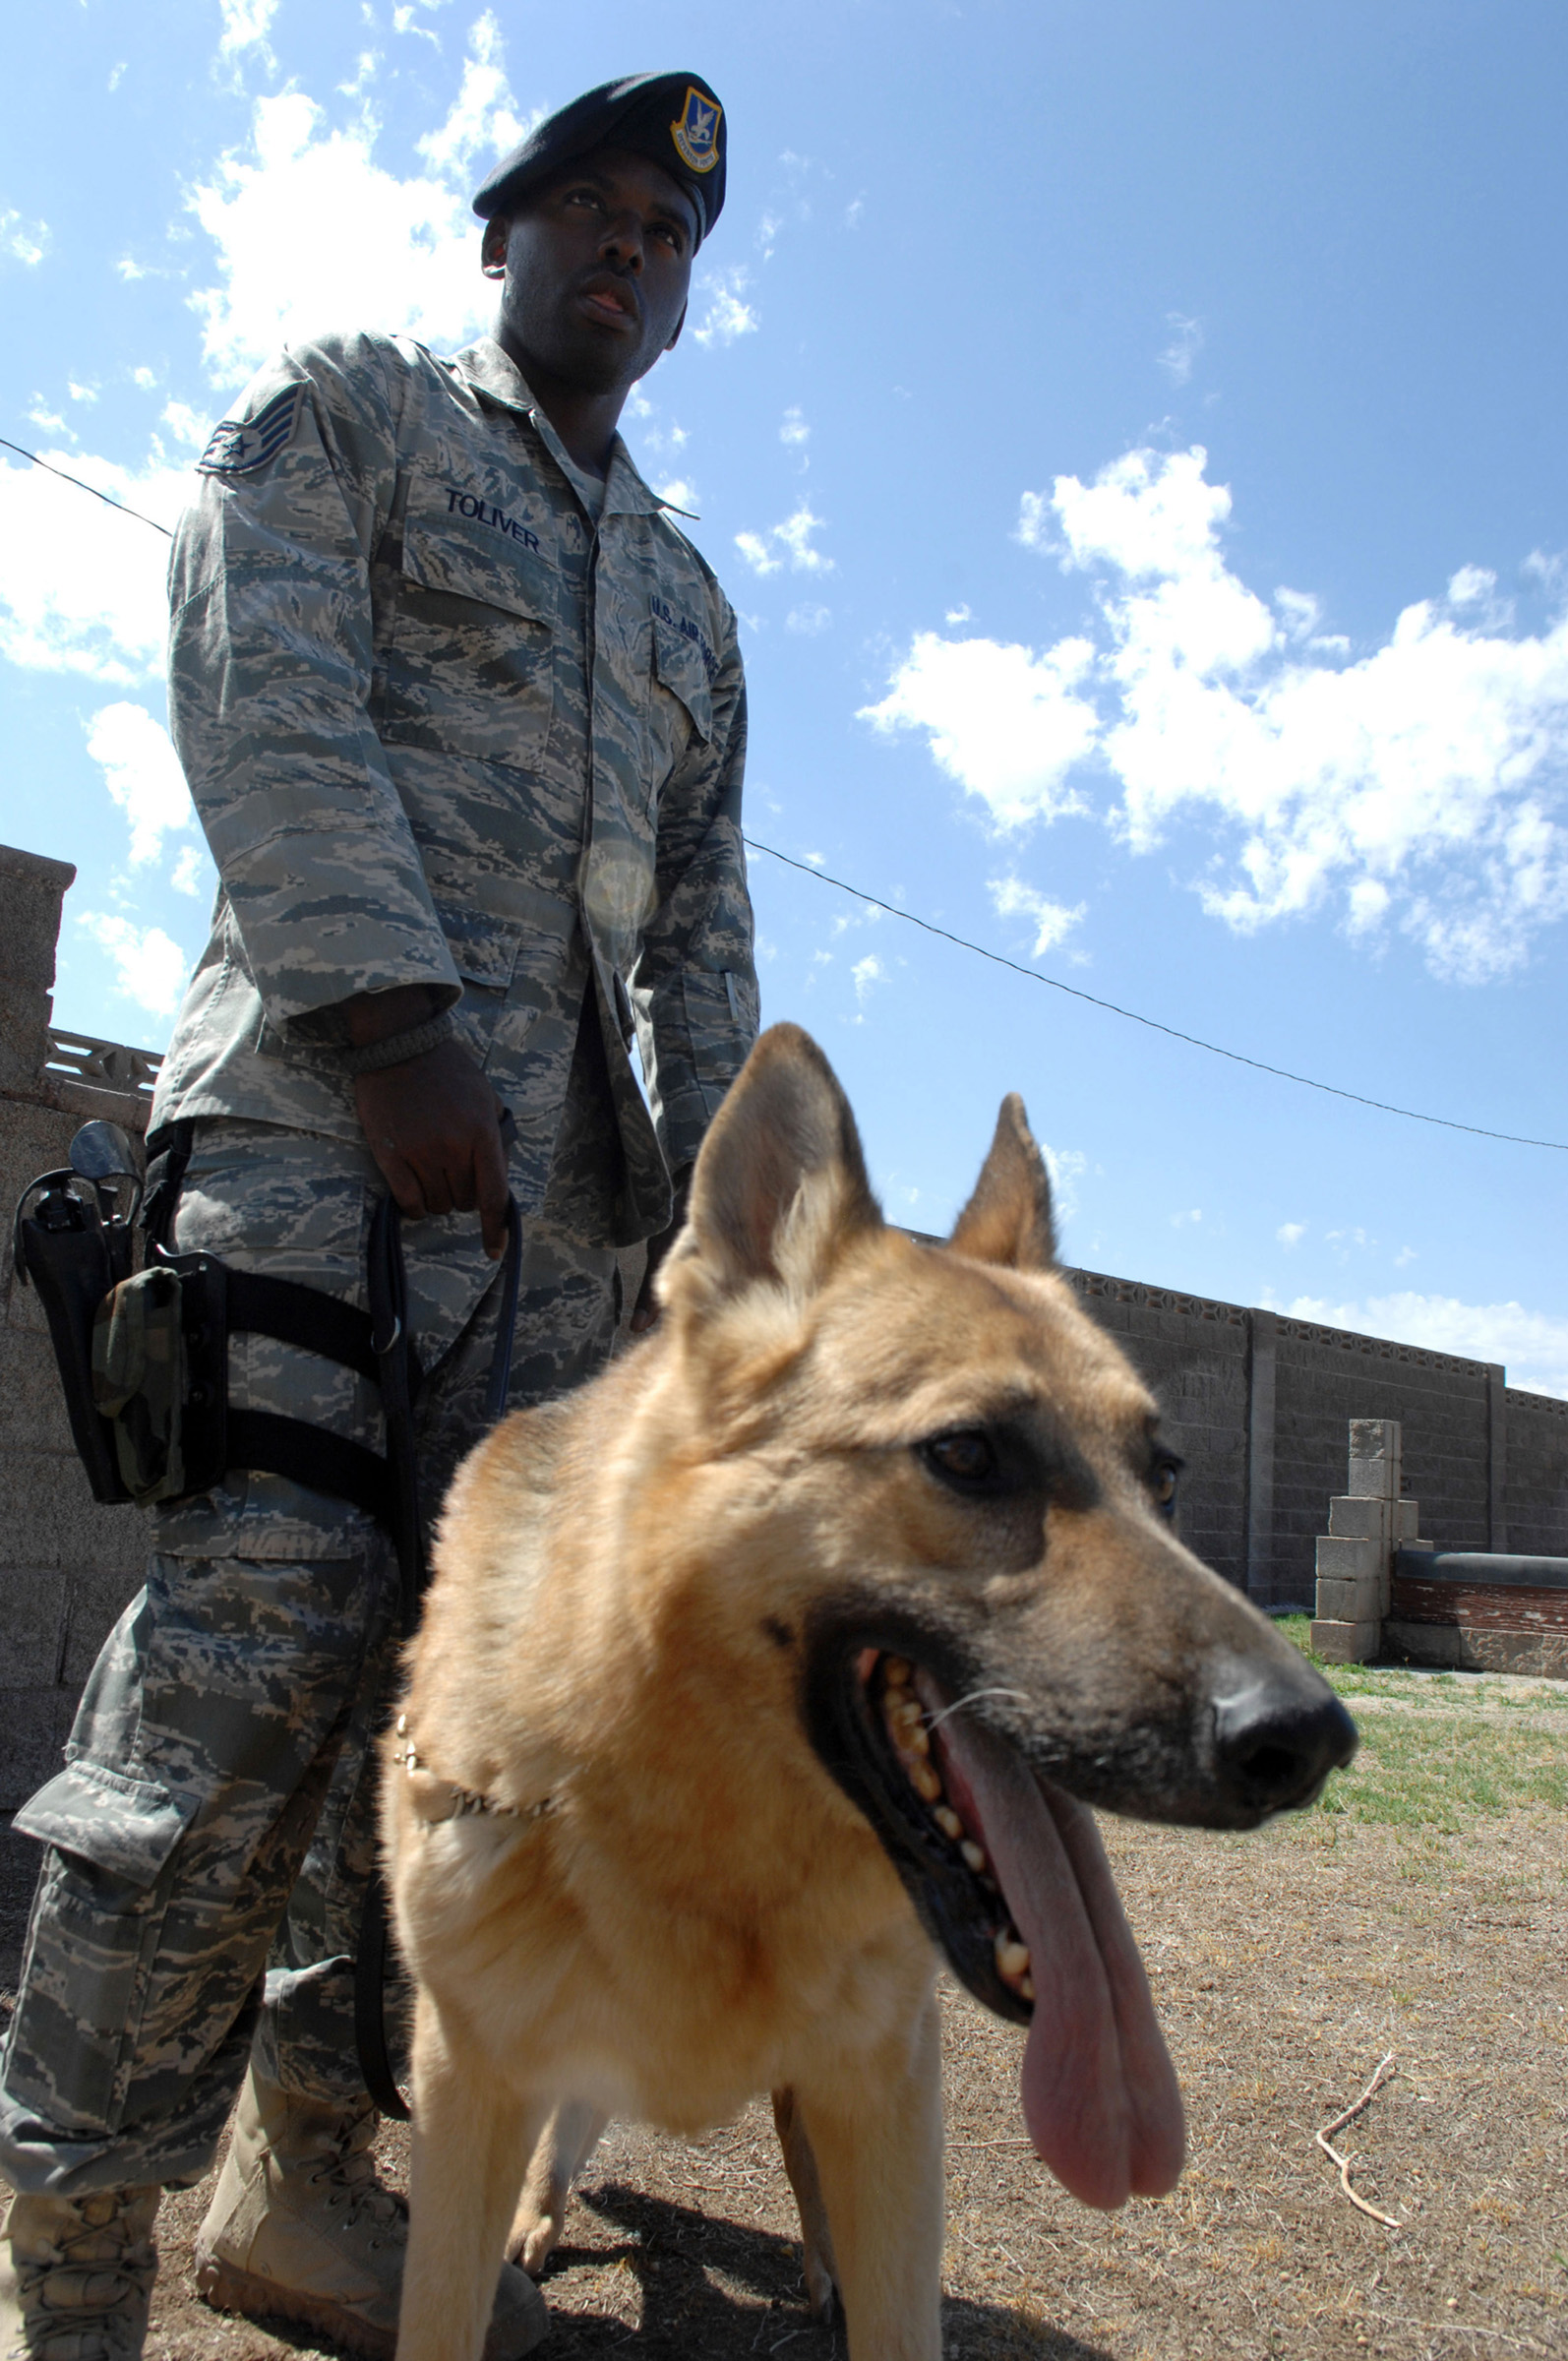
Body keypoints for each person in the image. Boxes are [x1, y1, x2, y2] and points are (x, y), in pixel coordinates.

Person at [0, 70, 756, 2361]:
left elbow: (702, 935)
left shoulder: (694, 610)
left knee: (453, 1748)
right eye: (590, 217)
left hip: (552, 1253)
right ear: (501, 239)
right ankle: (70, 2270)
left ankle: (306, 2185)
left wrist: (735, 1241)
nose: (626, 255)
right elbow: (264, 690)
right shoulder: (347, 420)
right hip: (320, 1154)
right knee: (239, 1697)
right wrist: (393, 1023)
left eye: (664, 238)